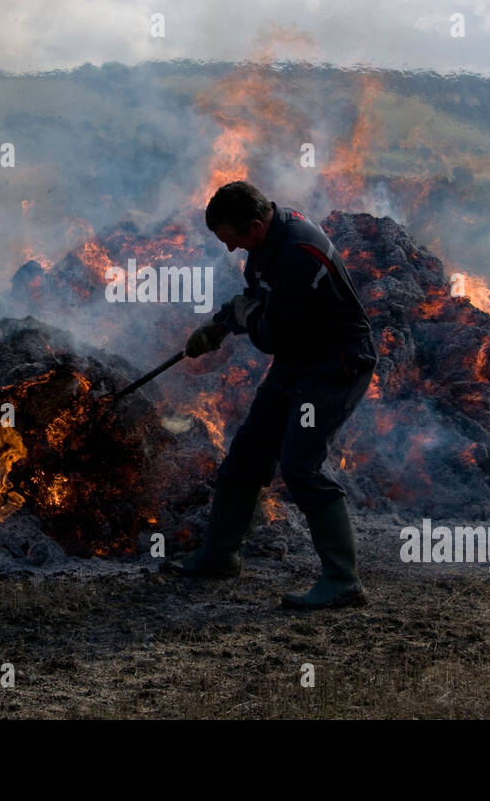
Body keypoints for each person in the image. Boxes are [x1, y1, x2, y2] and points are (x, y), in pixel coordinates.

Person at [162, 181, 378, 609]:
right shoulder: (268, 239)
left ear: (256, 225)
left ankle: (342, 580)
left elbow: (271, 333)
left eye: (233, 240)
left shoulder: (297, 252)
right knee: (246, 455)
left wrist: (246, 318)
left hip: (334, 365)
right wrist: (220, 324)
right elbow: (258, 301)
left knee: (301, 465)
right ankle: (218, 556)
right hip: (300, 359)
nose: (230, 250)